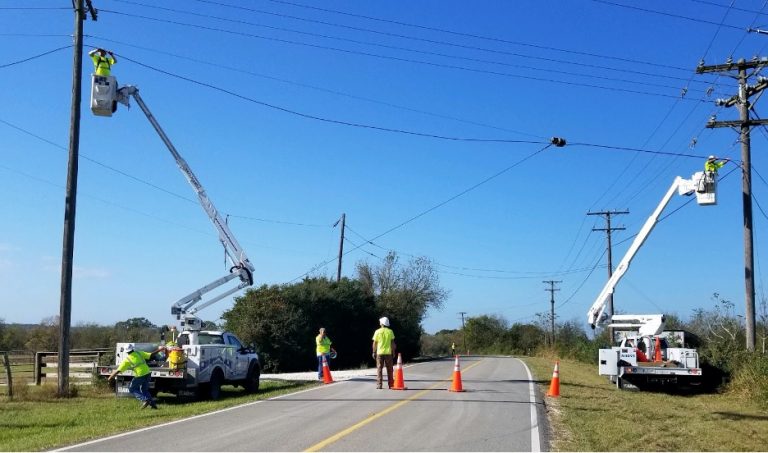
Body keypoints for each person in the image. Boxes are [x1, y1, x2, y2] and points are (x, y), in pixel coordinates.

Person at [107, 343, 164, 409]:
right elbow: (151, 355)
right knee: (144, 390)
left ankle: (144, 400)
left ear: (126, 351)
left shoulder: (127, 360)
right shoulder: (139, 353)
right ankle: (153, 406)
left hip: (140, 375)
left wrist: (110, 377)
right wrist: (159, 350)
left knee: (132, 389)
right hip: (148, 373)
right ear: (132, 349)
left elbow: (118, 370)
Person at [372, 317, 396, 389]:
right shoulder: (390, 331)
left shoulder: (377, 331)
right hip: (388, 353)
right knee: (389, 369)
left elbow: (374, 343)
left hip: (379, 353)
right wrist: (393, 352)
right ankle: (391, 384)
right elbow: (392, 344)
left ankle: (379, 385)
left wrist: (374, 352)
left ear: (382, 324)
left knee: (379, 369)